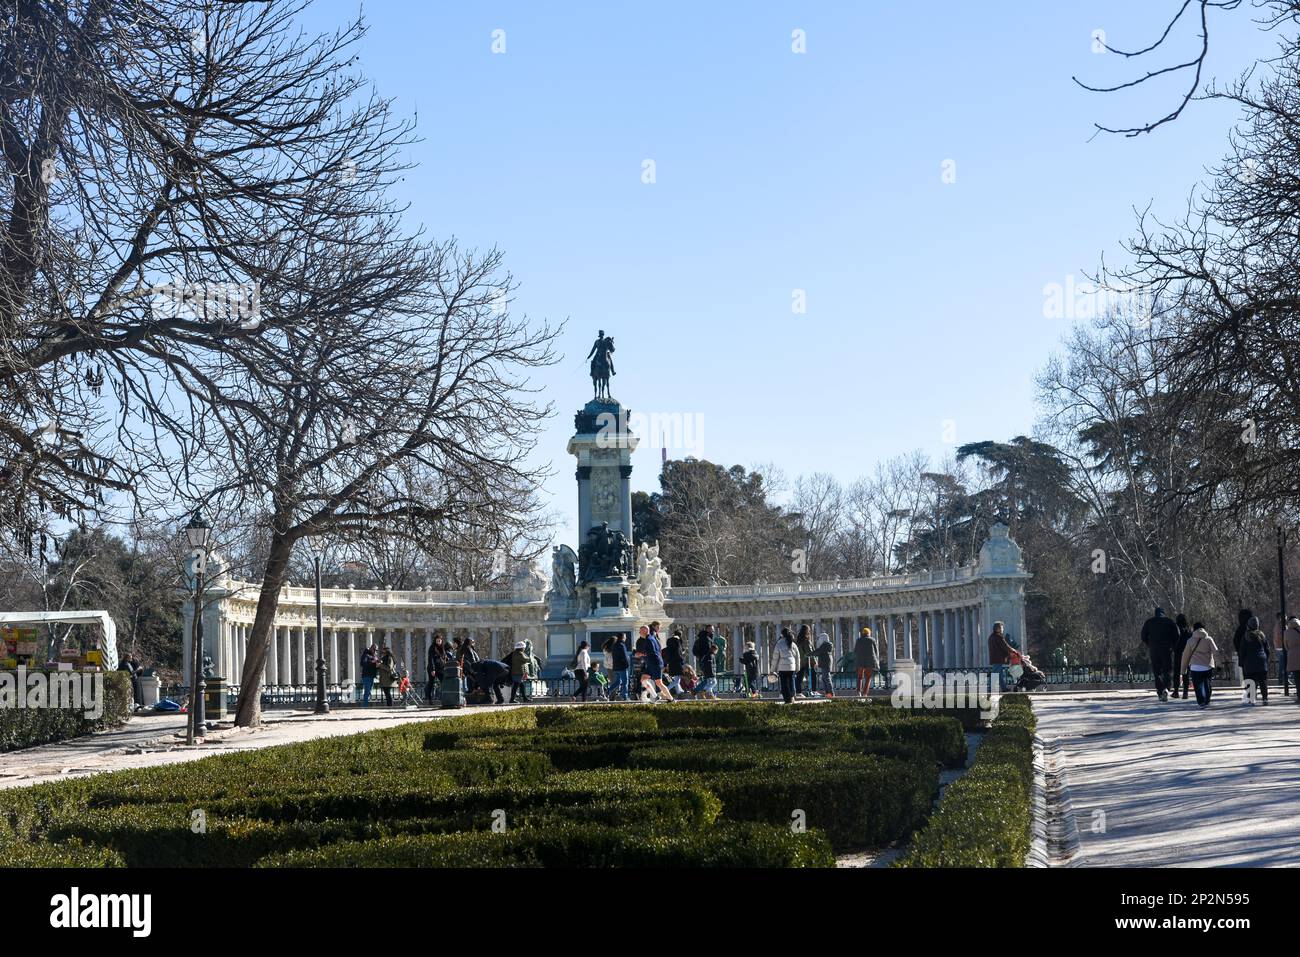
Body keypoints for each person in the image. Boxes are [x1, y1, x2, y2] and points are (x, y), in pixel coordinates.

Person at [1140, 607, 1179, 702]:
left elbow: (1143, 635)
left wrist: (1149, 644)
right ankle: (1166, 688)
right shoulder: (1169, 622)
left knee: (1157, 671)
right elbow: (1177, 634)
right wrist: (1173, 645)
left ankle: (1160, 690)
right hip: (1167, 650)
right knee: (1167, 670)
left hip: (1154, 650)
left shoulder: (1149, 622)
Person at [1180, 623, 1219, 708]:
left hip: (1195, 667)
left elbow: (1185, 655)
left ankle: (1201, 702)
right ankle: (1207, 700)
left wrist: (1183, 670)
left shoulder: (1190, 640)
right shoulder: (1209, 639)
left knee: (1198, 686)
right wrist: (1219, 664)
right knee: (1207, 684)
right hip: (1207, 666)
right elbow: (1216, 652)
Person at [635, 620, 673, 702]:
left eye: (640, 631)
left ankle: (671, 699)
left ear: (645, 631)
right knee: (643, 680)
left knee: (659, 683)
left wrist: (641, 654)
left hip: (655, 663)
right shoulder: (651, 638)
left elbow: (652, 652)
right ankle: (655, 696)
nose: (639, 632)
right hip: (651, 663)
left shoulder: (649, 640)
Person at [1239, 616, 1271, 705]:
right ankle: (1265, 699)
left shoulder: (1245, 636)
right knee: (1263, 681)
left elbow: (1242, 651)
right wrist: (1265, 659)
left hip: (1249, 663)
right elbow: (1267, 649)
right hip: (1261, 661)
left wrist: (1242, 662)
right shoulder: (1262, 635)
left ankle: (1252, 699)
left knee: (1250, 681)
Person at [988, 621, 1018, 692]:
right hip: (998, 658)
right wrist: (1013, 650)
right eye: (1001, 628)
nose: (1003, 629)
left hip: (994, 658)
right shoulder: (998, 637)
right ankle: (990, 688)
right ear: (998, 629)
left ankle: (1004, 688)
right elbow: (1005, 646)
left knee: (999, 674)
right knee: (995, 674)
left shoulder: (991, 637)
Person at [775, 627, 801, 705]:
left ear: (782, 635)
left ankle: (787, 700)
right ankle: (792, 696)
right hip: (791, 667)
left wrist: (773, 669)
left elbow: (775, 657)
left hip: (782, 668)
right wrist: (797, 668)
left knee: (784, 684)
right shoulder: (793, 644)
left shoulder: (779, 644)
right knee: (791, 682)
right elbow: (797, 657)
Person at [1172, 614, 1193, 700]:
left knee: (1176, 673)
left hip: (1178, 653)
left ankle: (1176, 691)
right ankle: (1185, 692)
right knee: (1186, 673)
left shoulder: (1176, 630)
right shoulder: (1189, 631)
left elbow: (1173, 640)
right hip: (1187, 653)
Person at [854, 626, 879, 697]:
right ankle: (865, 693)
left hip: (860, 661)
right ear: (869, 633)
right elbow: (876, 652)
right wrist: (877, 661)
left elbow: (855, 651)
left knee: (860, 677)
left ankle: (858, 692)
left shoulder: (858, 640)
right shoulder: (872, 640)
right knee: (868, 678)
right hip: (870, 661)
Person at [426, 633, 449, 703]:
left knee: (444, 682)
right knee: (431, 683)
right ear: (435, 641)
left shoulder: (442, 648)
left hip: (440, 668)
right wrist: (432, 670)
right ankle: (429, 698)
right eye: (437, 641)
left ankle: (444, 697)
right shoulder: (432, 647)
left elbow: (444, 657)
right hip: (432, 668)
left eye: (439, 641)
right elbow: (431, 659)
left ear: (442, 641)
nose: (438, 642)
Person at [607, 633, 631, 701]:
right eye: (625, 637)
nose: (626, 638)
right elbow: (624, 656)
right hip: (622, 667)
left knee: (618, 681)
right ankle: (624, 696)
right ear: (623, 637)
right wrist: (627, 664)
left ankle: (608, 690)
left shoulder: (614, 645)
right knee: (625, 682)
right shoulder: (621, 645)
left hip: (616, 667)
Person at [1284, 617, 1300, 708]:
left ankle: (1299, 696)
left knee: (1297, 678)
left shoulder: (1287, 632)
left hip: (1293, 656)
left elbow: (1286, 646)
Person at [696, 633, 718, 699]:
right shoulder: (711, 655)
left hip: (707, 672)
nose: (716, 652)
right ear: (714, 649)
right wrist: (712, 673)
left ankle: (711, 695)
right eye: (716, 650)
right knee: (714, 682)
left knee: (709, 683)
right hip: (710, 673)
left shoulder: (709, 655)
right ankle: (704, 691)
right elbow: (710, 665)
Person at [795, 624, 815, 697]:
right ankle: (813, 690)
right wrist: (815, 662)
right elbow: (810, 652)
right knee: (813, 675)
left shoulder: (798, 641)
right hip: (807, 662)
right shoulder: (806, 641)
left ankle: (798, 692)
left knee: (799, 678)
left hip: (800, 662)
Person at [1273, 612, 1290, 697]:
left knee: (1282, 663)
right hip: (1281, 647)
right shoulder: (1281, 626)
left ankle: (1283, 679)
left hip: (1279, 647)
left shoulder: (1278, 625)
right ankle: (1282, 679)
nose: (1286, 618)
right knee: (1283, 664)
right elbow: (1283, 636)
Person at [665, 627, 686, 695]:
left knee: (676, 678)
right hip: (677, 662)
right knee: (676, 680)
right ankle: (665, 691)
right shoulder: (677, 641)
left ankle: (679, 691)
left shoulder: (669, 641)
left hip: (671, 662)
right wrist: (682, 659)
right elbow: (678, 653)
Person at [816, 633, 835, 698]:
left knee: (826, 678)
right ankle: (827, 693)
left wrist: (808, 654)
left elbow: (817, 652)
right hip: (825, 663)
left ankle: (831, 693)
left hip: (825, 664)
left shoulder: (824, 645)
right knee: (824, 678)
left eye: (820, 639)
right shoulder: (827, 645)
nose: (819, 641)